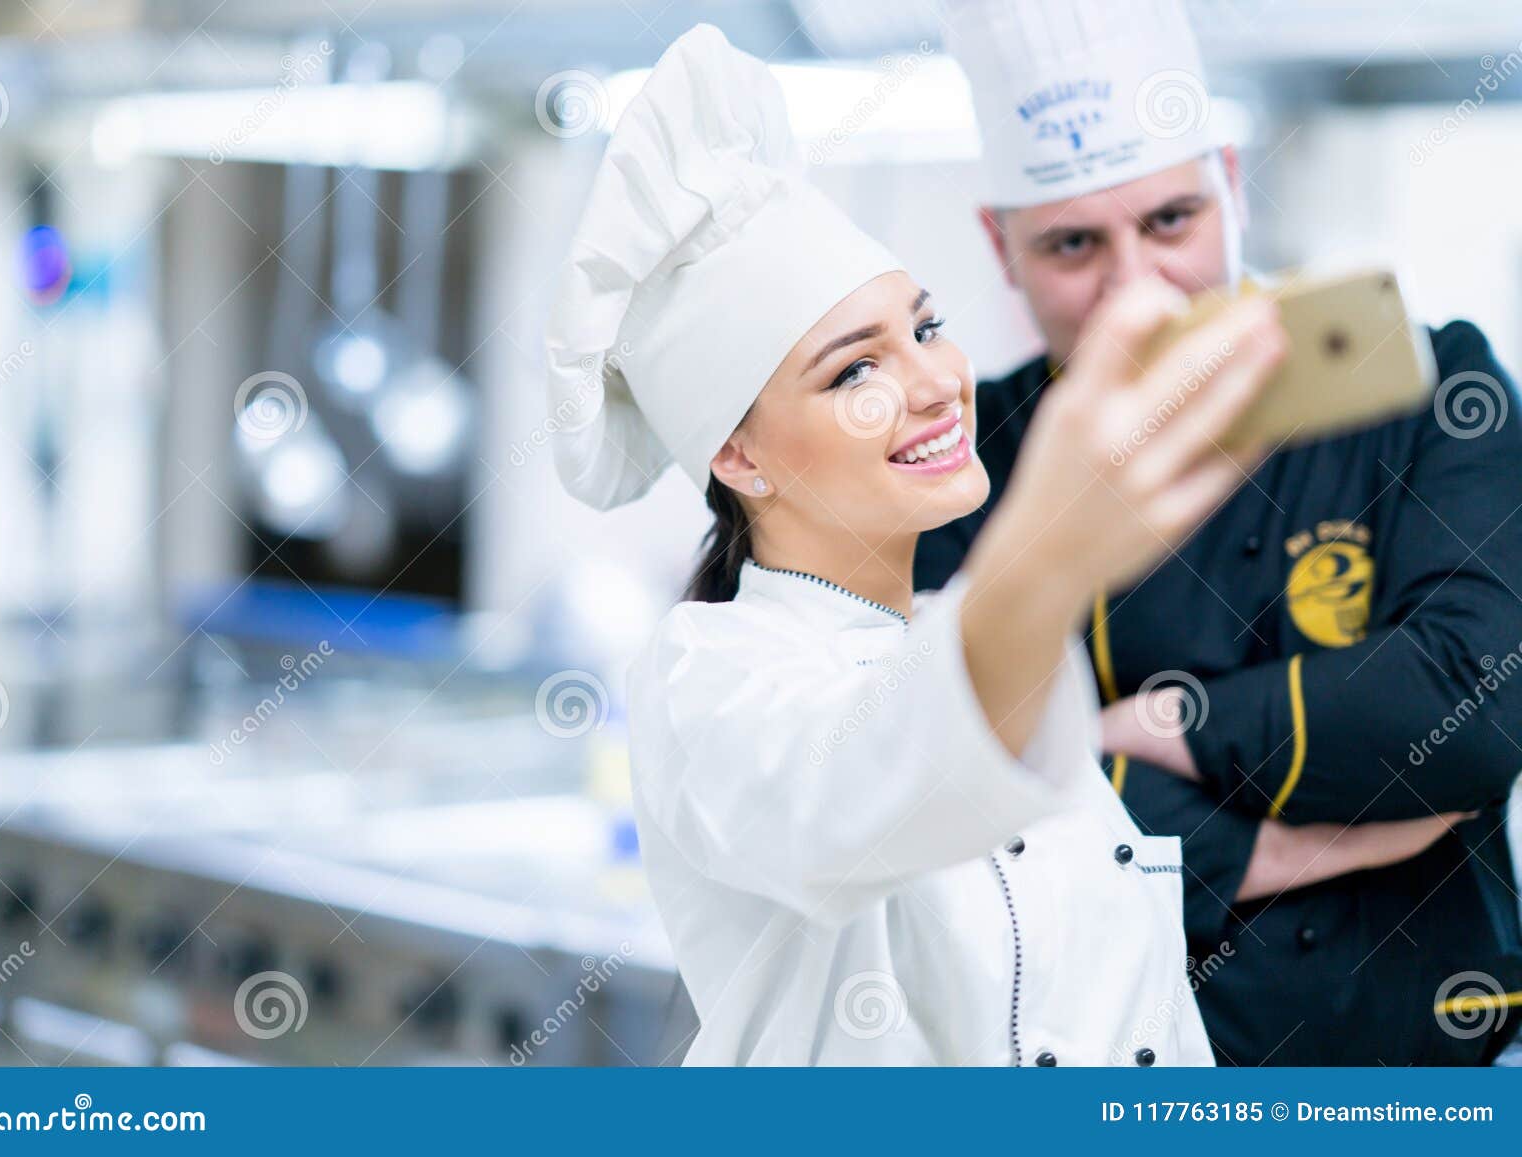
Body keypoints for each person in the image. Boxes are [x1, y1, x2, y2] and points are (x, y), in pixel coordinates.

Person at [546, 23, 1292, 1066]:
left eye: (926, 328)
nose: (939, 383)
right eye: (855, 370)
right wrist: (1050, 550)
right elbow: (860, 784)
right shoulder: (708, 676)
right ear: (740, 454)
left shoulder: (961, 644)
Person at [917, 0, 1522, 1065]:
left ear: (1232, 188)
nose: (1136, 289)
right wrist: (1273, 843)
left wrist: (1152, 726)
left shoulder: (1431, 389)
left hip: (1431, 1064)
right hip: (1120, 1074)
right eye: (1072, 244)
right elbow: (949, 796)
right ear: (999, 247)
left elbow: (1475, 710)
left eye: (1170, 221)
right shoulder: (966, 461)